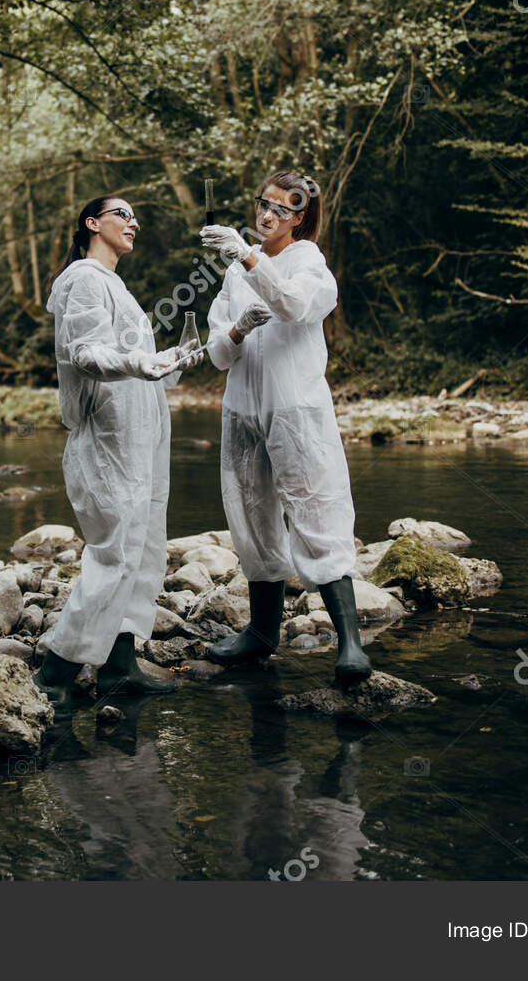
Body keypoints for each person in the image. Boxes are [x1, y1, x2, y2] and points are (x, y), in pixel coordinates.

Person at [199, 171, 372, 687]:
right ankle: (262, 634)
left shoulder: (309, 262)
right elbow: (217, 354)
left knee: (316, 507)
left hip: (295, 411)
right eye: (263, 203)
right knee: (252, 517)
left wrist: (247, 256)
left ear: (299, 218)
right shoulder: (233, 274)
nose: (267, 214)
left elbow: (296, 306)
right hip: (242, 412)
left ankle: (350, 643)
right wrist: (237, 328)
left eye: (281, 208)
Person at [34, 195, 202, 705]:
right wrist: (136, 363)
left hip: (141, 435)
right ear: (92, 223)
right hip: (108, 439)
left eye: (135, 218)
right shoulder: (84, 279)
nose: (134, 222)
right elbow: (86, 354)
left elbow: (139, 367)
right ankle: (56, 673)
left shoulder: (116, 286)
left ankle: (120, 666)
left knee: (145, 546)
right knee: (115, 553)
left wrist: (172, 359)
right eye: (121, 215)